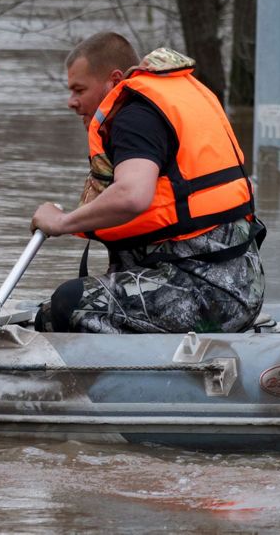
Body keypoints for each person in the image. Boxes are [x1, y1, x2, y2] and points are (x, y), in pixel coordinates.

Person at [30, 32, 265, 334]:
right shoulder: (171, 101)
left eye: (79, 90)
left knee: (67, 303)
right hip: (241, 286)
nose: (71, 102)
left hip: (209, 294)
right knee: (59, 308)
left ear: (114, 81)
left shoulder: (135, 117)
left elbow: (132, 196)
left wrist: (61, 222)